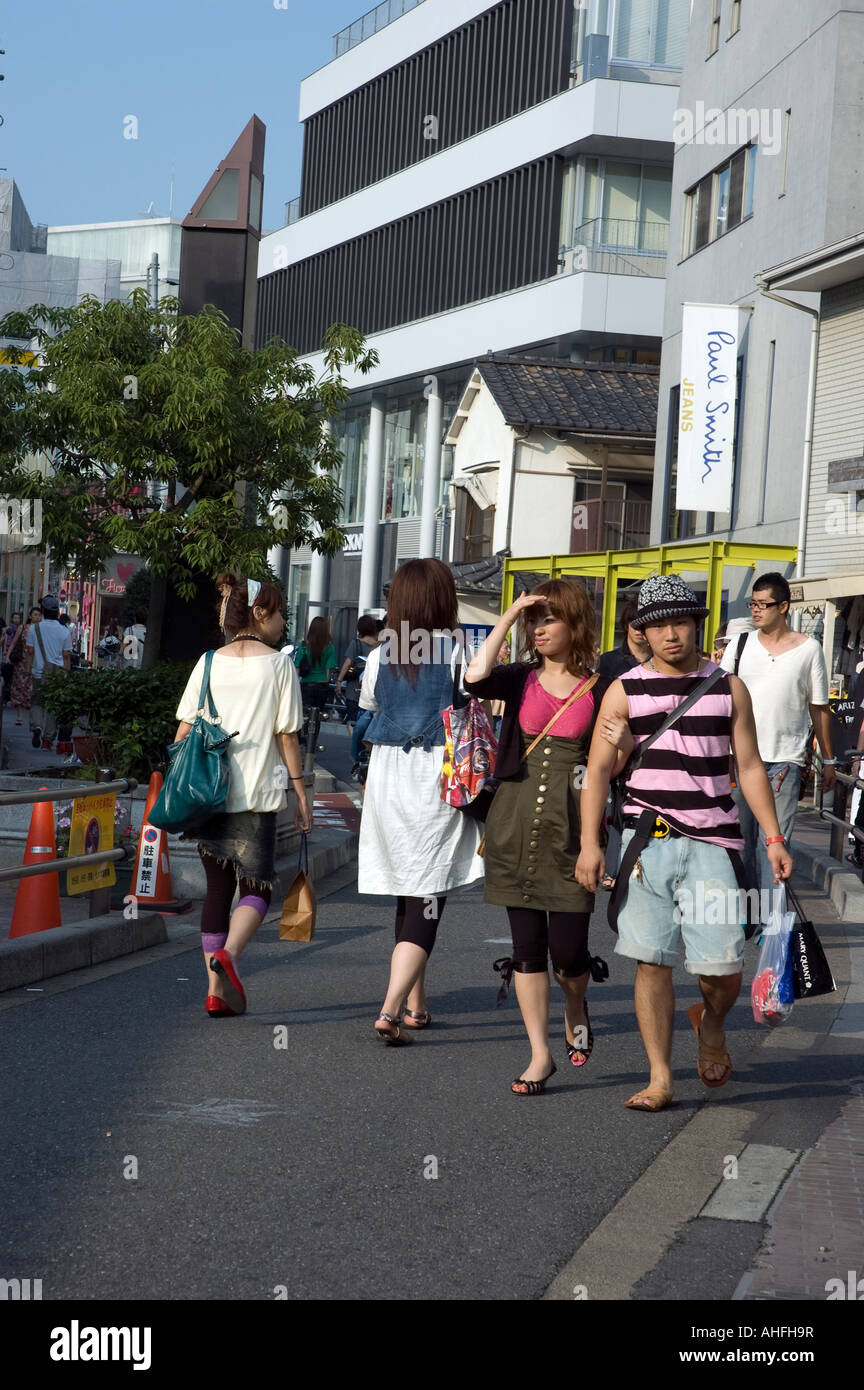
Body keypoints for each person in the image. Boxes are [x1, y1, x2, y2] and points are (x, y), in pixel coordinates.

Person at [576, 574, 793, 1113]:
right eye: (658, 626)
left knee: (723, 970)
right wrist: (589, 843)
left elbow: (748, 767)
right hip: (647, 844)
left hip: (715, 842)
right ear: (641, 633)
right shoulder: (622, 690)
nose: (671, 634)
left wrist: (772, 837)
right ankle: (659, 1077)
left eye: (680, 622)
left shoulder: (728, 687)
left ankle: (711, 1019)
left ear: (697, 625)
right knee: (652, 961)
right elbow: (599, 772)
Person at [464, 581, 610, 1095]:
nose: (539, 629)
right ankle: (539, 1055)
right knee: (527, 948)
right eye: (534, 621)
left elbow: (607, 765)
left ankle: (575, 1000)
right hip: (514, 824)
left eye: (549, 619)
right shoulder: (518, 678)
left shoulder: (600, 686)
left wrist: (595, 842)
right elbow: (473, 676)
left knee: (569, 953)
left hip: (571, 829)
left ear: (575, 625)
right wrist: (509, 615)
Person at [173, 573, 312, 1017]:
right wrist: (301, 795)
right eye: (280, 613)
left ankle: (216, 992)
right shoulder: (279, 665)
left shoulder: (208, 661)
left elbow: (184, 729)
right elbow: (287, 737)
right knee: (257, 889)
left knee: (217, 891)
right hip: (257, 796)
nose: (283, 622)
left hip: (206, 796)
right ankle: (229, 955)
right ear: (259, 613)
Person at [358, 559, 484, 1043]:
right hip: (438, 779)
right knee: (428, 892)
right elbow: (473, 697)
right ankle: (390, 1009)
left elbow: (370, 708)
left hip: (389, 779)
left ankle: (416, 1002)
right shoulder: (454, 652)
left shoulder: (378, 657)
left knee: (407, 890)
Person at [720, 572, 834, 893]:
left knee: (773, 844)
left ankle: (770, 926)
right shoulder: (740, 645)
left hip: (785, 761)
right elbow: (717, 698)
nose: (756, 610)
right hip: (739, 760)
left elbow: (818, 707)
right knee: (740, 842)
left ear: (783, 606)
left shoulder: (809, 649)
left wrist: (828, 760)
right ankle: (743, 915)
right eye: (752, 603)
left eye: (763, 604)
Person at [24, 596, 72, 751]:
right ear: (57, 612)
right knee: (52, 707)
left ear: (43, 611)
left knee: (37, 702)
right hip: (57, 675)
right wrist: (67, 676)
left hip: (39, 672)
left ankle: (37, 726)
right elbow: (66, 656)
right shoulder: (64, 631)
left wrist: (27, 670)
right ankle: (47, 740)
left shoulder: (34, 629)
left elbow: (30, 652)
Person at [337, 615, 379, 731]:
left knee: (352, 720)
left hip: (354, 689)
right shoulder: (377, 644)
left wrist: (339, 681)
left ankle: (354, 743)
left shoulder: (355, 643)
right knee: (368, 720)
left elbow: (347, 663)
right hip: (370, 688)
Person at [596, 597, 652, 680]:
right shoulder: (607, 661)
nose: (639, 629)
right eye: (634, 624)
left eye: (644, 624)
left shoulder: (663, 659)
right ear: (626, 624)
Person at [294, 616, 336, 712]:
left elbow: (297, 666)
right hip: (322, 684)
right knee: (318, 713)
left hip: (306, 683)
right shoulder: (330, 647)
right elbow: (329, 668)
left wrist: (296, 684)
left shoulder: (304, 646)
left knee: (305, 713)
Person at [2, 611, 24, 716]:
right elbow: (5, 640)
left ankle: (12, 697)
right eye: (14, 618)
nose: (16, 620)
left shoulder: (22, 629)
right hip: (9, 655)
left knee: (14, 677)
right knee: (8, 676)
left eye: (18, 618)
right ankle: (6, 697)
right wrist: (6, 652)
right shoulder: (9, 629)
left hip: (18, 655)